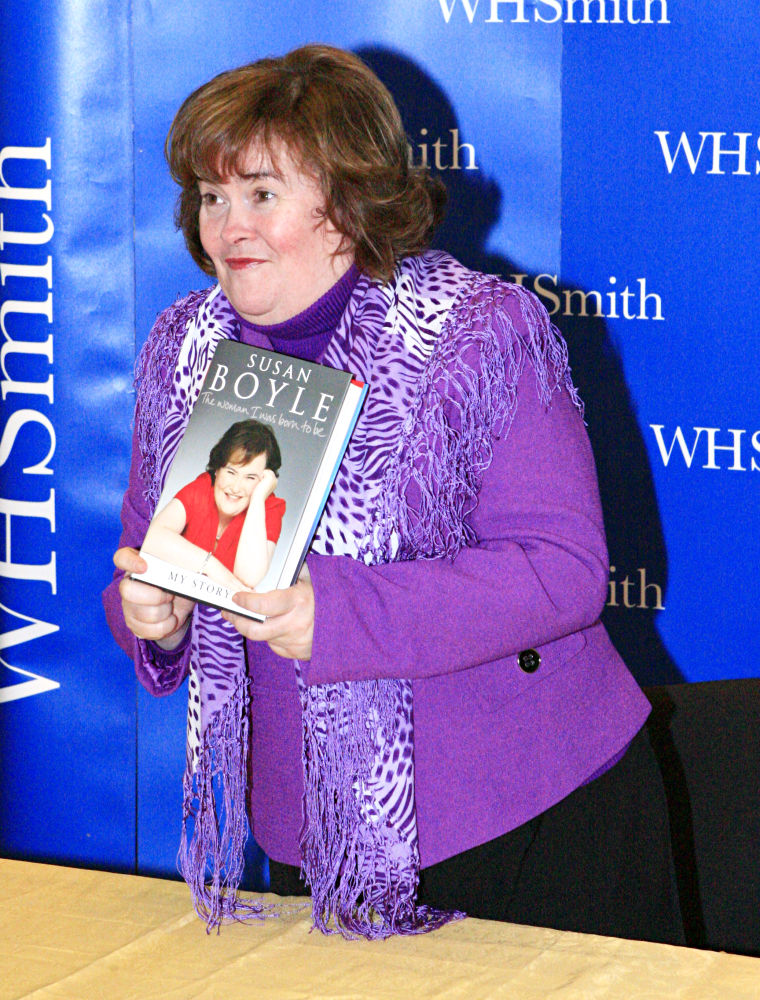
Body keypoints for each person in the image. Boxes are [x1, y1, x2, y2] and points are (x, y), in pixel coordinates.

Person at [103, 44, 684, 943]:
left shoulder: (480, 332)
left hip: (529, 809)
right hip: (311, 827)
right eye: (211, 198)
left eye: (260, 193)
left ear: (348, 197)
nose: (227, 228)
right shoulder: (186, 346)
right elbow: (158, 551)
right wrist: (155, 613)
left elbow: (563, 572)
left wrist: (334, 616)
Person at [141, 419, 285, 594]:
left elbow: (249, 578)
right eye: (231, 472)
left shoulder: (268, 508)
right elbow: (152, 538)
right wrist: (211, 567)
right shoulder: (202, 488)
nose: (236, 487)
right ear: (217, 469)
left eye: (251, 478)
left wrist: (257, 500)